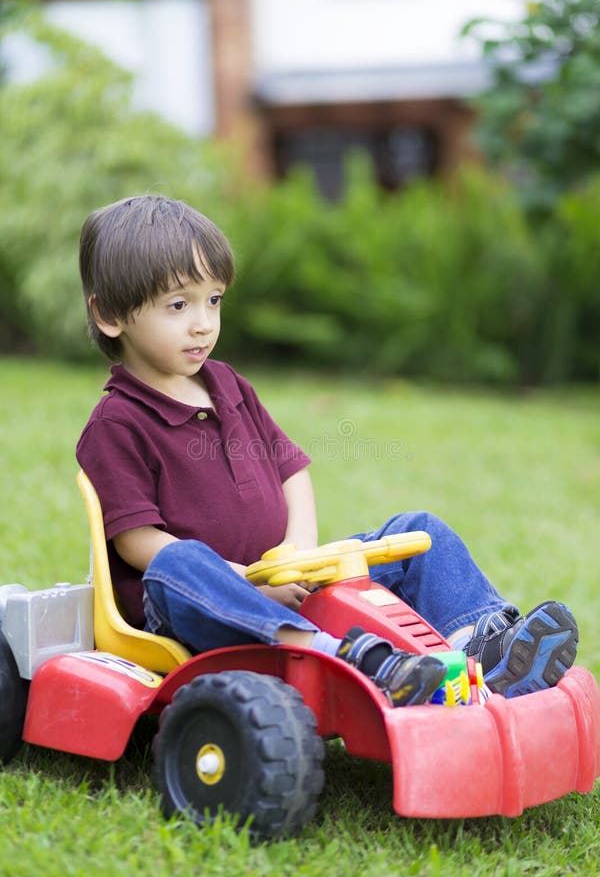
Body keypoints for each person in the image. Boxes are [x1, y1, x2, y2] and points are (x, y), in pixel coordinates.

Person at [76, 194, 578, 707]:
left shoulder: (226, 384)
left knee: (419, 531)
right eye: (178, 305)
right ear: (112, 314)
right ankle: (346, 655)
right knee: (179, 562)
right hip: (194, 607)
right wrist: (246, 583)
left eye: (214, 300)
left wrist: (298, 554)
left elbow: (292, 472)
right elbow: (137, 541)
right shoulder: (117, 424)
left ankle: (486, 647)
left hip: (284, 577)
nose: (203, 323)